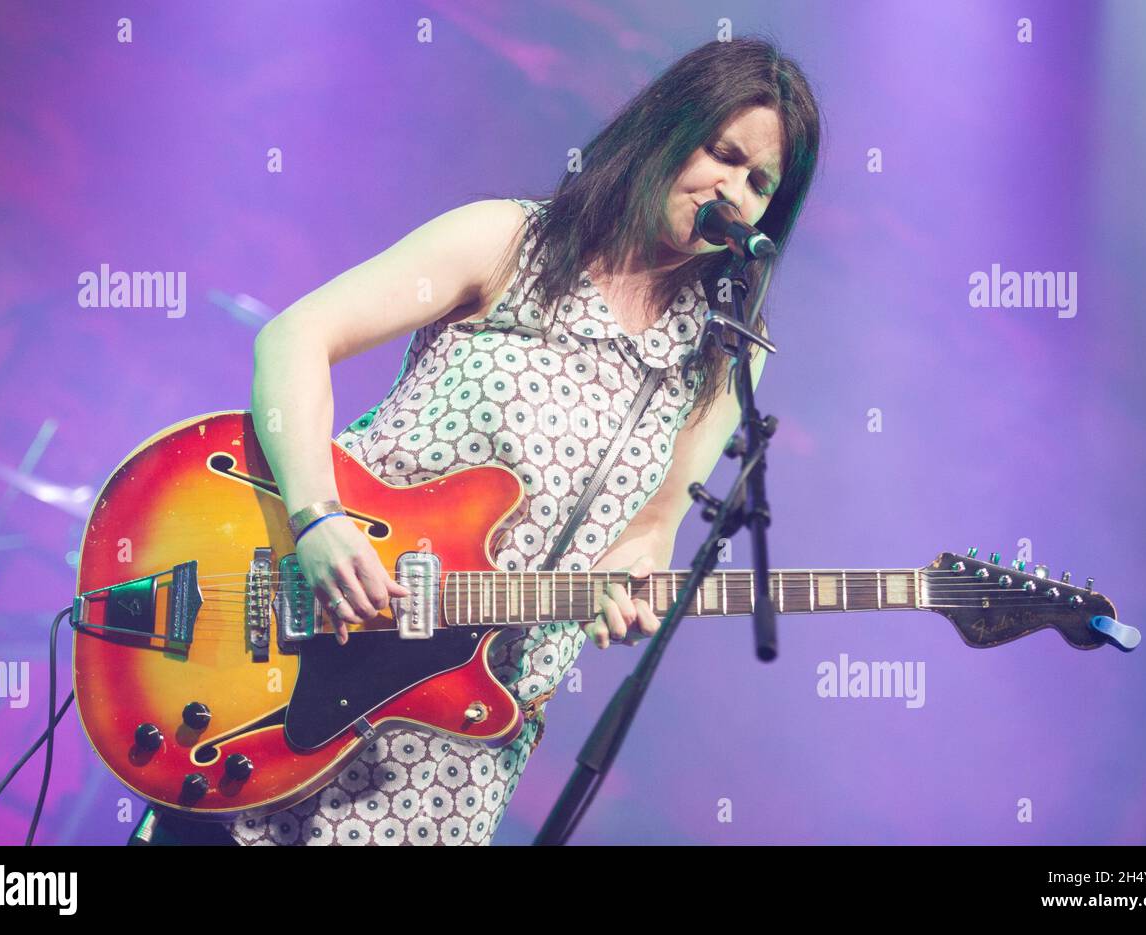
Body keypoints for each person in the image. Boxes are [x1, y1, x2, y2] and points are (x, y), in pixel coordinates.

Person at [208, 35, 820, 846]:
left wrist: (633, 590)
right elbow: (294, 338)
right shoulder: (510, 242)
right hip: (302, 651)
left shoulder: (725, 354)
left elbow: (648, 535)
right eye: (725, 154)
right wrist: (318, 517)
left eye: (760, 183)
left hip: (452, 756)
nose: (736, 192)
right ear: (671, 130)